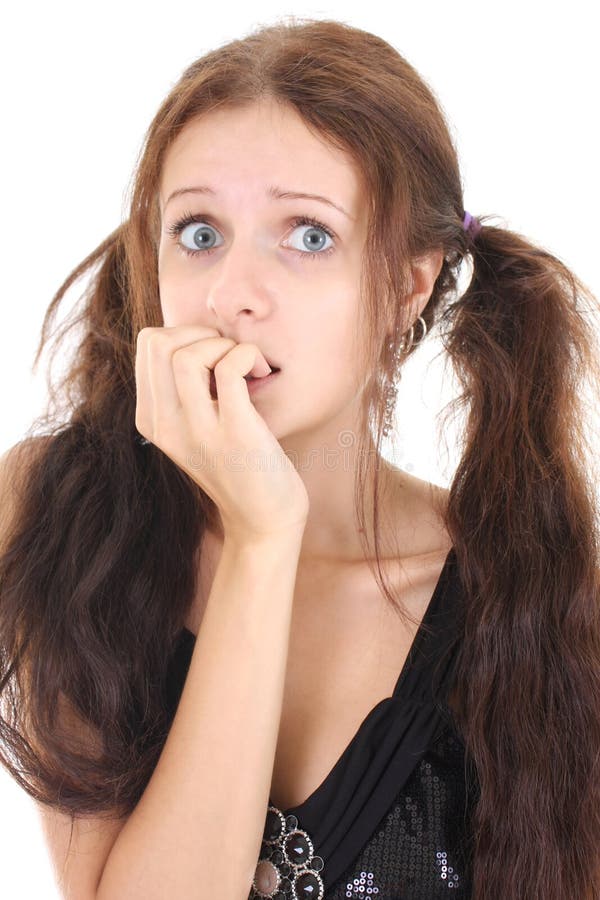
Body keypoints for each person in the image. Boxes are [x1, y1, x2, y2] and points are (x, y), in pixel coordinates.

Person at [1, 16, 599, 900]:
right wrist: (260, 536)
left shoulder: (536, 584)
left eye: (308, 236)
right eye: (198, 233)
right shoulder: (60, 513)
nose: (231, 295)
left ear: (407, 285)